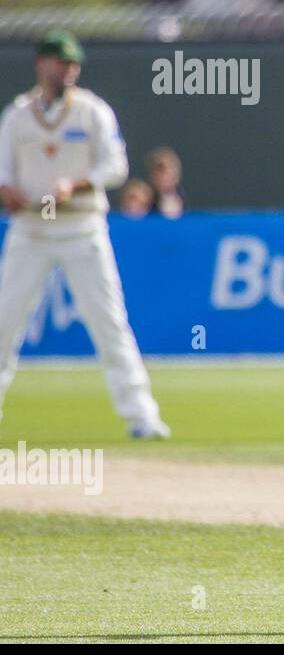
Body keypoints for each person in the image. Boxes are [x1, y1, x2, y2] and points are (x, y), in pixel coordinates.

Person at [0, 31, 169, 439]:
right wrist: (6, 188)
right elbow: (3, 169)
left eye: (74, 64)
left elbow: (115, 166)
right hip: (31, 230)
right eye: (62, 62)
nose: (69, 70)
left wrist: (75, 184)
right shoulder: (18, 115)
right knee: (4, 324)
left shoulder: (92, 111)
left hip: (81, 228)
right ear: (42, 64)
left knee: (109, 322)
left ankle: (141, 416)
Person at [144, 146, 185, 219]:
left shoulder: (182, 200)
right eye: (159, 170)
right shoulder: (143, 201)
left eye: (170, 169)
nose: (164, 176)